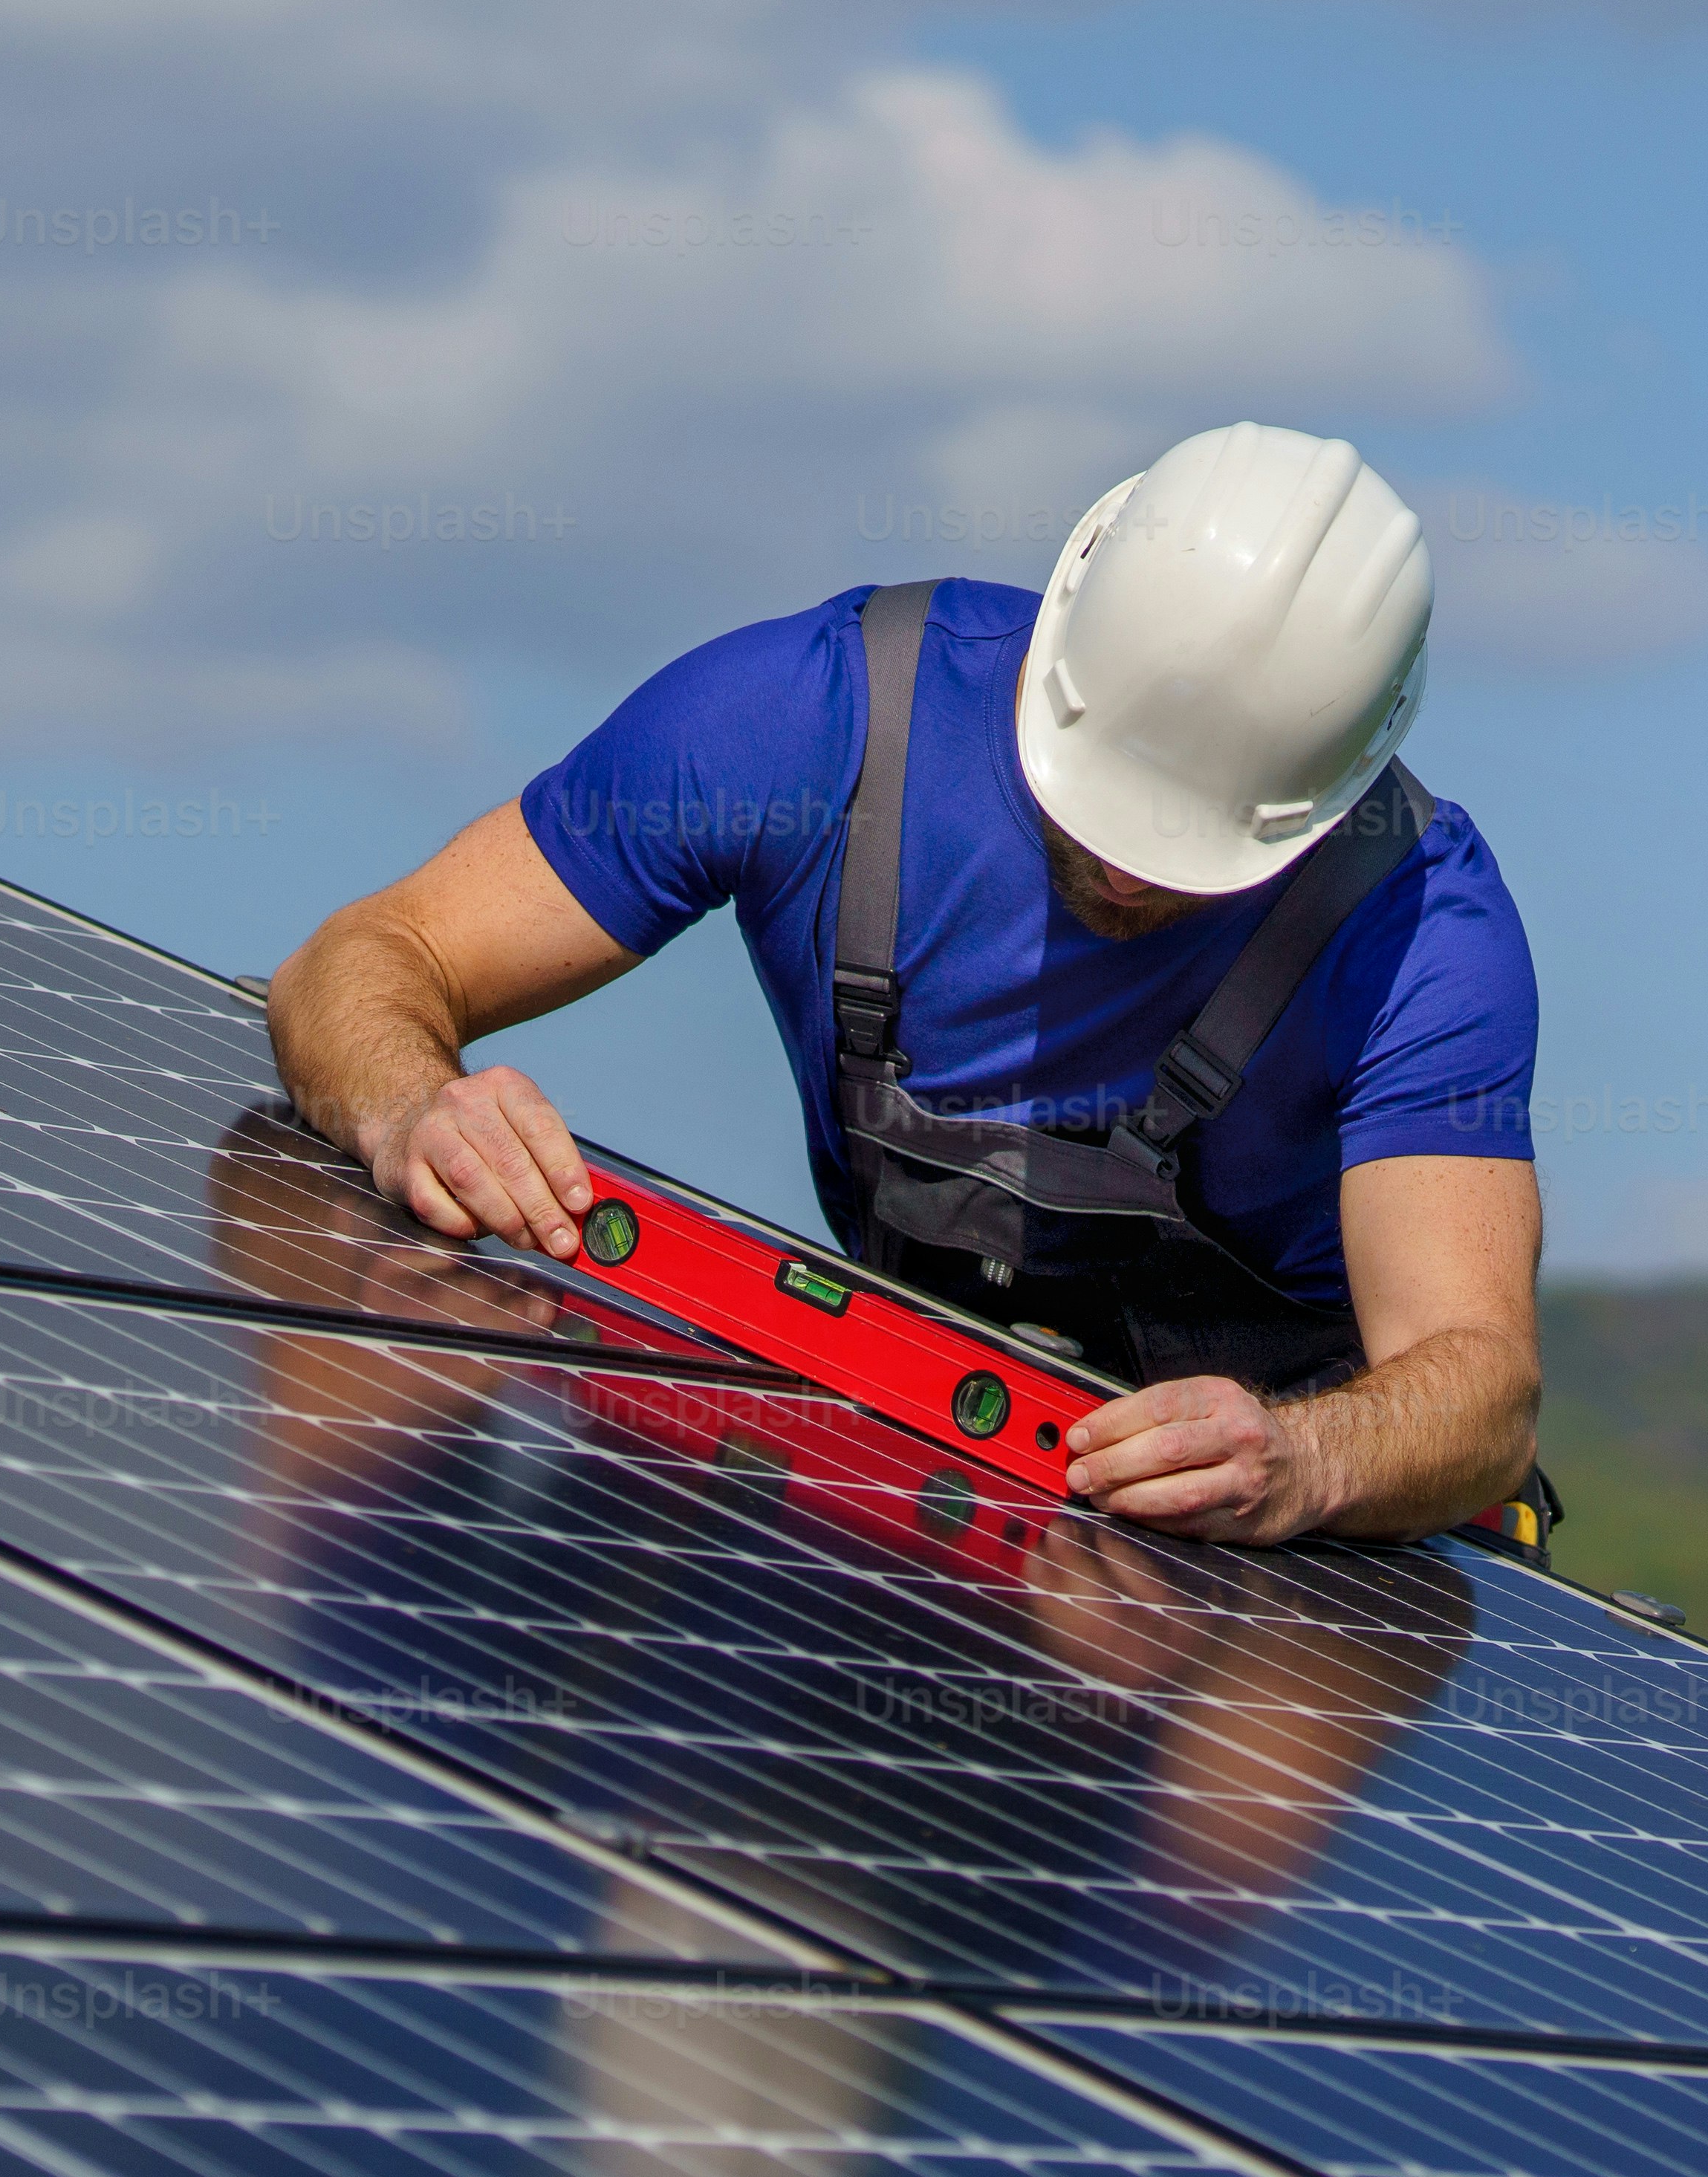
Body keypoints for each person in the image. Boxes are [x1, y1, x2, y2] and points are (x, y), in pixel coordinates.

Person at [266, 423, 1542, 1547]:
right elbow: (370, 958)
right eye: (1102, 802)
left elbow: (1480, 1389)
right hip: (916, 1496)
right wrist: (410, 1102)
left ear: (1329, 796)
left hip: (1266, 1572)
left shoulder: (1421, 928)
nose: (1121, 869)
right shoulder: (812, 719)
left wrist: (1305, 1459)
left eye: (1182, 850)